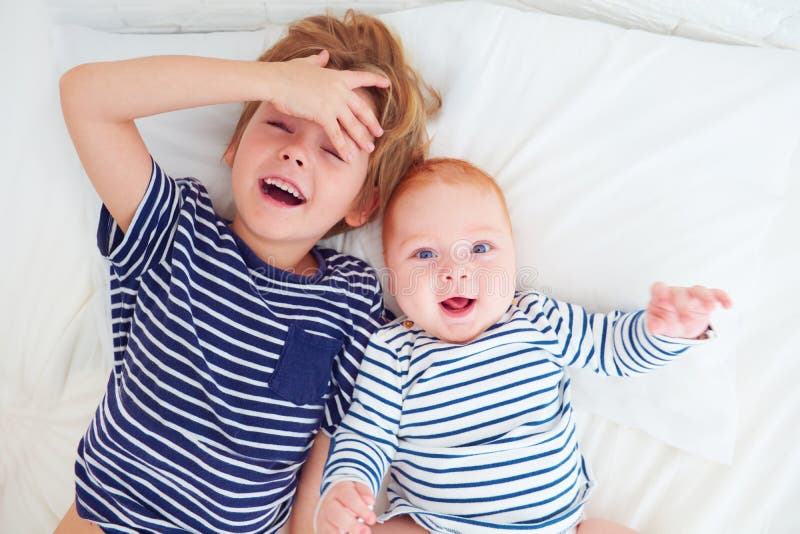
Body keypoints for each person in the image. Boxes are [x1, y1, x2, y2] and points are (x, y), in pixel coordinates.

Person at [54, 10, 440, 534]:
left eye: (332, 149)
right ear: (233, 147)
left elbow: (332, 444)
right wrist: (272, 81)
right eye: (280, 122)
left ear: (362, 206)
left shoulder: (350, 298)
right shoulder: (177, 229)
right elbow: (85, 97)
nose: (295, 153)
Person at [314, 158, 733, 534]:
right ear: (392, 273)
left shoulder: (535, 317)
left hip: (558, 524)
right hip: (438, 524)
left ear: (513, 258)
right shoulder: (392, 351)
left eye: (480, 249)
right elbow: (367, 434)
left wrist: (662, 330)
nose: (455, 272)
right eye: (423, 254)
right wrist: (346, 486)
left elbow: (609, 349)